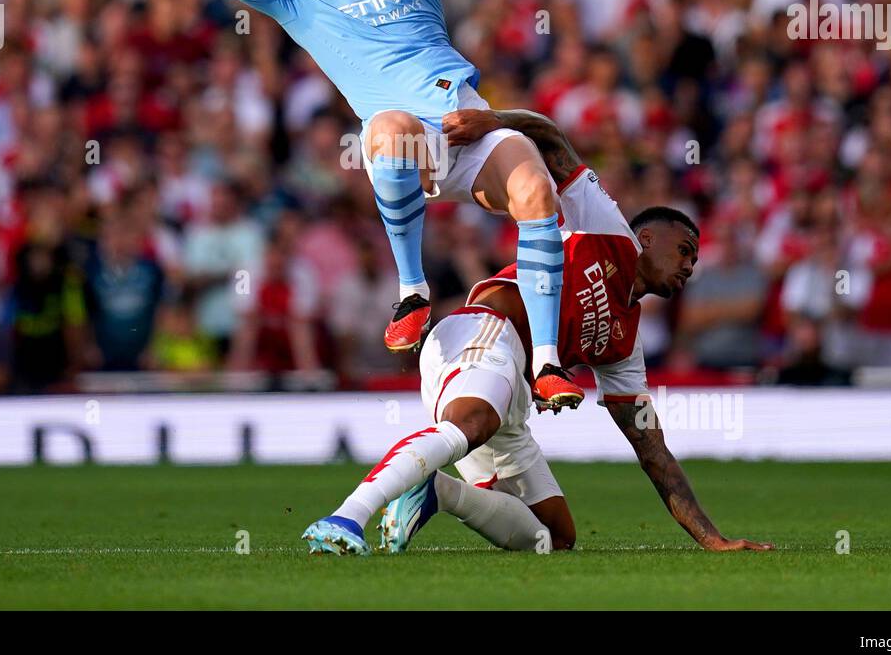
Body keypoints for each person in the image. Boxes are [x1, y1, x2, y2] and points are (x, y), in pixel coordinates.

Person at [132, 0, 619, 406]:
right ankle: (413, 290)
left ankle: (546, 365)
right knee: (387, 128)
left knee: (536, 187)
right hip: (407, 144)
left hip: (466, 118)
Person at [302, 108, 773, 555]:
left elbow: (652, 449)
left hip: (514, 388)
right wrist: (496, 122)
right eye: (685, 249)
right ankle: (346, 517)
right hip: (482, 334)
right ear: (647, 237)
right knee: (469, 426)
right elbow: (550, 137)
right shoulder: (604, 226)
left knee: (554, 537)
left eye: (694, 258)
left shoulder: (624, 345)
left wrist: (713, 539)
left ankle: (437, 493)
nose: (690, 264)